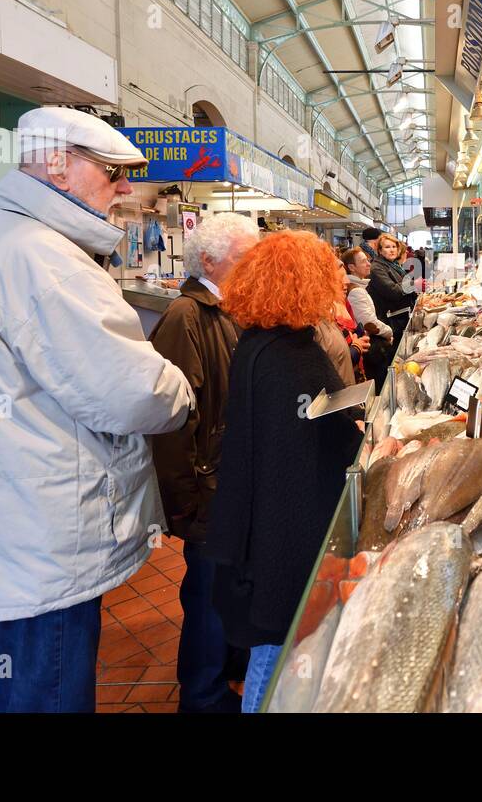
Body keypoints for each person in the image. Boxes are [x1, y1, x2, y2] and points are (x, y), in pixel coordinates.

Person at [0, 107, 195, 713]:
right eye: (114, 171)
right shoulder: (39, 256)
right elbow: (133, 391)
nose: (126, 189)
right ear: (57, 164)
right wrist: (181, 388)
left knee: (32, 681)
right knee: (48, 689)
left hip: (18, 524)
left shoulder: (4, 239)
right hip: (41, 536)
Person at [206, 231, 363, 712]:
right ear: (304, 283)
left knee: (270, 649)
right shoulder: (291, 355)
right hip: (286, 537)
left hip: (260, 530)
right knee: (277, 655)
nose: (338, 279)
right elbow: (315, 438)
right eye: (328, 272)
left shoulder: (260, 342)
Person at [147, 211, 259, 713]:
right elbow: (171, 424)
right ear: (210, 260)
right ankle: (203, 698)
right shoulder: (185, 318)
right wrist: (187, 504)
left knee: (228, 591)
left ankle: (228, 672)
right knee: (208, 600)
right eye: (244, 257)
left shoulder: (228, 311)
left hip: (231, 486)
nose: (252, 266)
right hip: (209, 492)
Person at [342, 246, 393, 387]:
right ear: (351, 267)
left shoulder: (358, 287)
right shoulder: (356, 291)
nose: (369, 263)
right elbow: (368, 322)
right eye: (364, 261)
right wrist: (389, 331)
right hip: (371, 349)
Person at [367, 233, 416, 359]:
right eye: (387, 247)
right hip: (391, 321)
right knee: (395, 358)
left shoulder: (393, 265)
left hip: (400, 317)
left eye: (394, 246)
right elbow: (393, 291)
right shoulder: (377, 268)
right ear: (380, 250)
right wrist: (411, 284)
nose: (392, 249)